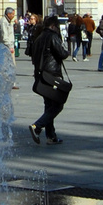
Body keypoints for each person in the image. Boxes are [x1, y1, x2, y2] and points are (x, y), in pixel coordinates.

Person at [26, 11, 70, 145]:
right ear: (53, 26)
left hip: (41, 74)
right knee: (58, 105)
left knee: (49, 105)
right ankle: (37, 126)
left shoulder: (39, 37)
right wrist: (66, 50)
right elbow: (62, 53)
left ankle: (51, 136)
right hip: (52, 74)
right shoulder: (52, 36)